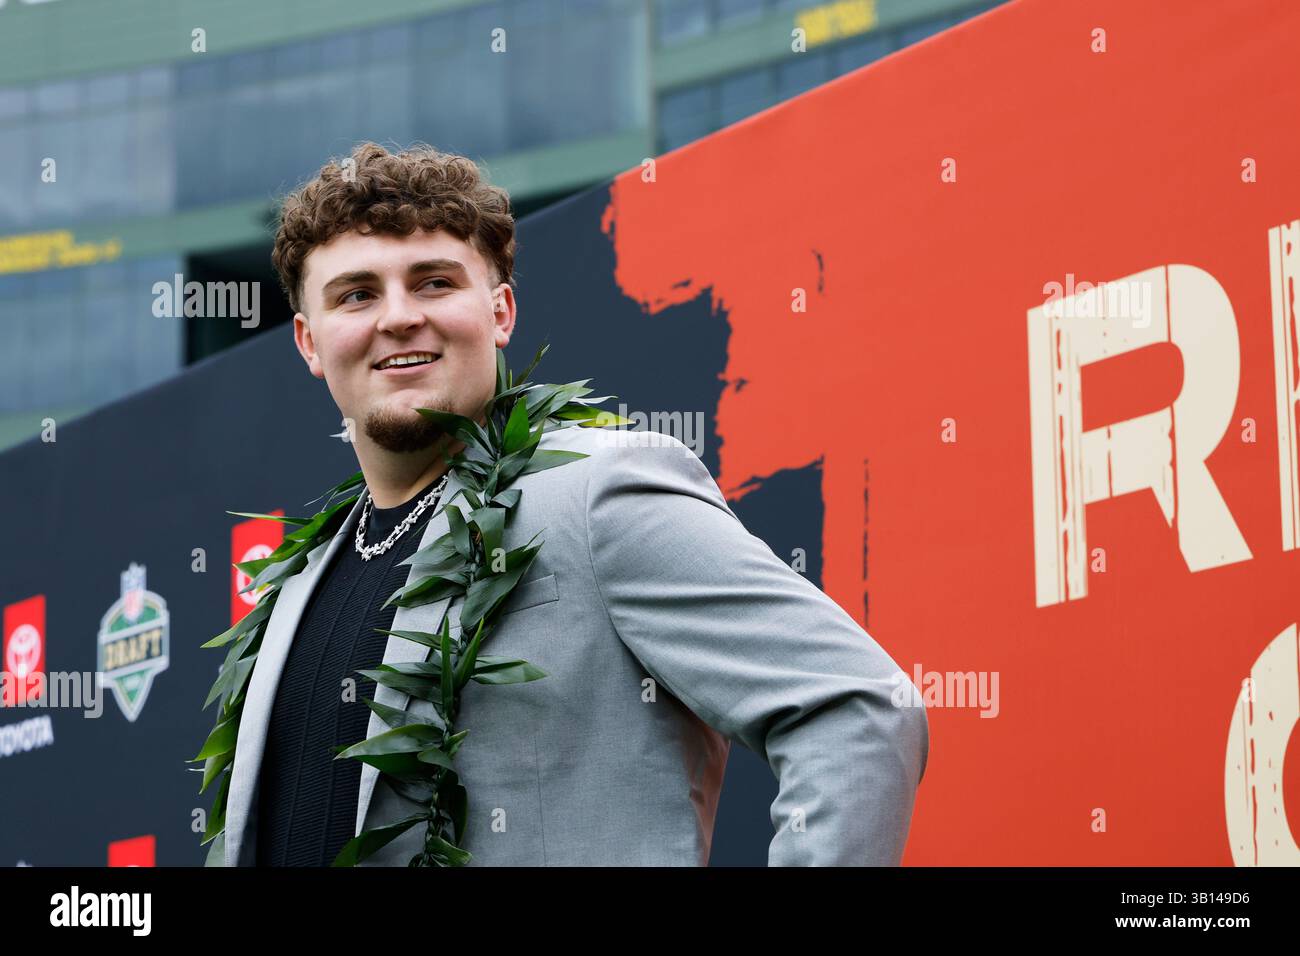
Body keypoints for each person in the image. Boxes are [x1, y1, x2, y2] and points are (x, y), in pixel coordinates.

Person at [220, 141, 928, 867]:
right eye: (357, 294)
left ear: (501, 314)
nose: (398, 317)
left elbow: (858, 708)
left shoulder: (601, 489)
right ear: (309, 341)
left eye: (434, 283)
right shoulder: (294, 584)